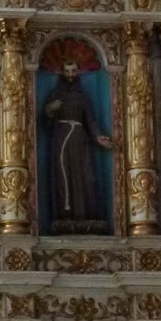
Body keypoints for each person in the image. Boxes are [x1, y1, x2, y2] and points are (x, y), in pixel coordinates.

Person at [41, 58, 112, 231]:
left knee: (84, 175)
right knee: (62, 173)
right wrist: (50, 109)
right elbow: (44, 119)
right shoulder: (55, 94)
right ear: (62, 73)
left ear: (78, 72)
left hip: (80, 139)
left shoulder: (83, 97)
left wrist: (98, 137)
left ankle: (85, 213)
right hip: (60, 137)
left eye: (73, 71)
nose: (70, 75)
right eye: (67, 71)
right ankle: (64, 214)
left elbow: (91, 120)